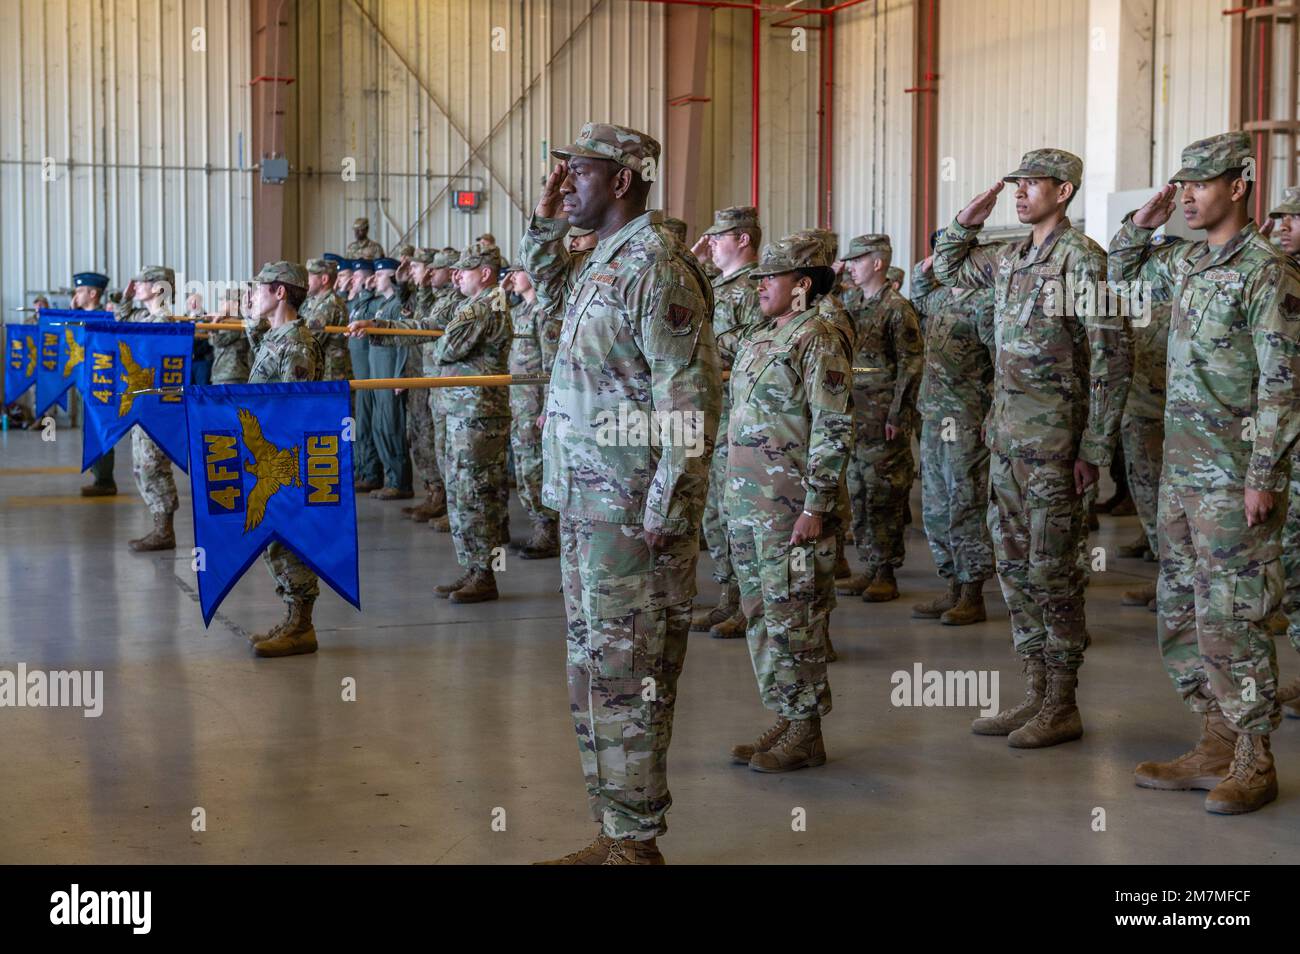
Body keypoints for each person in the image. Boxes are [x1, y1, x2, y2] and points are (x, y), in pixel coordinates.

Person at [522, 122, 719, 865]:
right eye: (562, 171)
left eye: (578, 172)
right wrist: (545, 220)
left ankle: (635, 845)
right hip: (588, 505)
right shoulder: (602, 261)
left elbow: (689, 401)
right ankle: (616, 832)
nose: (565, 182)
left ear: (623, 181)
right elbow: (545, 290)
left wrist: (669, 508)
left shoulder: (658, 269)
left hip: (634, 514)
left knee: (631, 673)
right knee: (596, 672)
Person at [1112, 132, 1300, 812]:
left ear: (1239, 186)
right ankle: (1215, 738)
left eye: (1200, 183)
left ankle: (1254, 757)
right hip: (1182, 474)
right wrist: (1143, 220)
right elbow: (1119, 276)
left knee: (1234, 619)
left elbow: (1283, 386)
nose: (1187, 194)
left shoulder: (1267, 272)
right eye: (1181, 183)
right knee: (1182, 612)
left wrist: (1264, 476)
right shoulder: (1188, 265)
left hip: (1233, 479)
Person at [934, 148, 1130, 748]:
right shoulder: (1011, 257)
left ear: (1064, 191)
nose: (1019, 193)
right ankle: (1035, 690)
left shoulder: (1082, 261)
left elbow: (1111, 357)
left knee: (1053, 571)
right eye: (1016, 184)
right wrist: (971, 213)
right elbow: (947, 267)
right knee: (1015, 570)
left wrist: (1094, 451)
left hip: (1054, 448)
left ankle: (1063, 701)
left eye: (1031, 184)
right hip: (1007, 442)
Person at [725, 233, 853, 772]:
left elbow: (834, 424)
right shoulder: (760, 337)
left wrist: (816, 505)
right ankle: (785, 711)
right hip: (748, 504)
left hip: (792, 509)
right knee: (759, 613)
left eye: (769, 278)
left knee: (793, 615)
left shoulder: (818, 337)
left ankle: (806, 730)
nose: (759, 286)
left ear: (801, 284)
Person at [909, 233, 996, 625]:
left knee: (966, 504)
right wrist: (927, 266)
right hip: (935, 416)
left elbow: (1001, 362)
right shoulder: (943, 298)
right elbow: (918, 296)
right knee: (936, 507)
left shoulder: (986, 301)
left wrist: (992, 415)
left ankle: (973, 591)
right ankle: (952, 585)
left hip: (966, 418)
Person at [242, 261, 325, 658]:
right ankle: (293, 614)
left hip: (286, 460)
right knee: (273, 540)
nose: (252, 296)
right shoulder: (277, 337)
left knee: (288, 539)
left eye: (260, 289)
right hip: (271, 455)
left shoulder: (297, 344)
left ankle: (301, 624)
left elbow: (296, 411)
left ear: (280, 292)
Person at [837, 234, 923, 603]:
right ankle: (869, 566)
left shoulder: (897, 308)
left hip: (883, 415)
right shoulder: (852, 302)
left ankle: (886, 570)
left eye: (857, 261)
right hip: (854, 412)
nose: (851, 267)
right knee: (858, 491)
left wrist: (899, 412)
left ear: (877, 263)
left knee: (884, 493)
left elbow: (911, 363)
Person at [691, 205, 763, 639]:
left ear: (743, 239)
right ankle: (727, 596)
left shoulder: (758, 287)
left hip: (741, 414)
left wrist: (710, 345)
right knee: (715, 512)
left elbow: (757, 341)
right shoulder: (716, 286)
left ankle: (750, 603)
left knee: (739, 513)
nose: (712, 243)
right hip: (712, 411)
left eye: (720, 236)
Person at [1267, 187, 1300, 719]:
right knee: (1292, 563)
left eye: (1295, 217)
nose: (1282, 225)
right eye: (1278, 217)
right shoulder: (1280, 278)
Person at [122, 266, 183, 552]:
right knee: (141, 466)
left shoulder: (166, 319)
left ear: (159, 287)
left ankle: (164, 531)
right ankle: (161, 527)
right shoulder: (146, 316)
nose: (136, 285)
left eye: (144, 282)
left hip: (159, 405)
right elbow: (121, 322)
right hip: (143, 401)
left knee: (153, 466)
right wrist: (125, 299)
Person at [502, 264, 560, 558]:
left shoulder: (544, 313)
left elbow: (552, 364)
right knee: (524, 466)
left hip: (535, 403)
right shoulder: (519, 311)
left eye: (517, 272)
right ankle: (538, 523)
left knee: (536, 466)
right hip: (519, 402)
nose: (511, 278)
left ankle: (548, 528)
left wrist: (549, 407)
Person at [72, 271, 119, 497]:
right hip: (85, 384)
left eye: (80, 291)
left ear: (93, 293)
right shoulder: (79, 317)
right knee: (88, 430)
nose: (76, 295)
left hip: (100, 384)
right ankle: (99, 476)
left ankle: (105, 479)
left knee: (100, 429)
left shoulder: (105, 319)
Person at [346, 259, 383, 492]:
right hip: (359, 371)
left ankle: (371, 472)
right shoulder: (361, 303)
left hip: (370, 372)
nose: (352, 281)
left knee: (370, 424)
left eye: (357, 277)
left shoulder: (373, 304)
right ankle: (361, 469)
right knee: (359, 424)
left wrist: (367, 291)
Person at [299, 257, 352, 383]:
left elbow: (309, 339)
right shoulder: (313, 302)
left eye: (310, 276)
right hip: (321, 372)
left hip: (331, 376)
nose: (306, 281)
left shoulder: (329, 305)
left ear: (324, 279)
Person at [208, 287, 252, 385]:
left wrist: (214, 324)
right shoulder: (228, 321)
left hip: (233, 374)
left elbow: (217, 341)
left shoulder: (238, 322)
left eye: (225, 300)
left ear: (236, 304)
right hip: (225, 373)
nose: (222, 303)